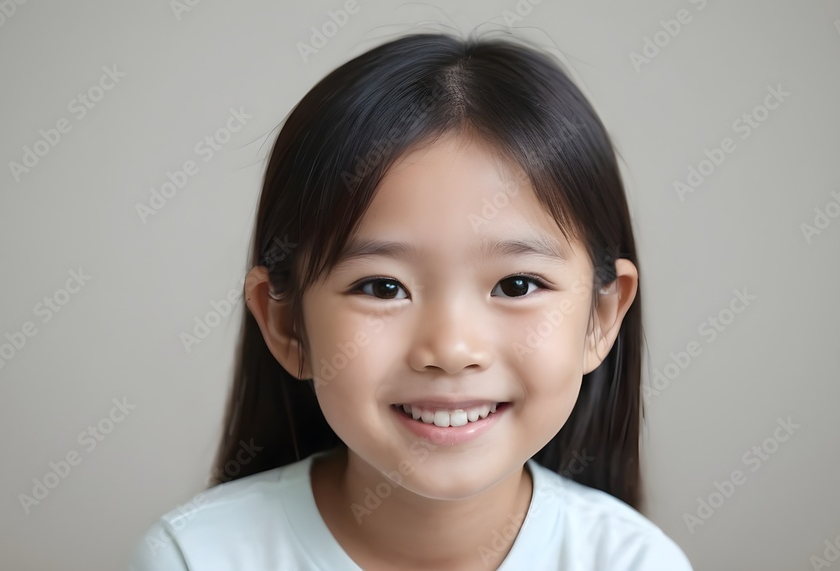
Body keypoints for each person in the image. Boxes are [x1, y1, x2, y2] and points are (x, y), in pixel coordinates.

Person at [128, 31, 695, 570]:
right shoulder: (196, 558)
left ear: (601, 318)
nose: (450, 349)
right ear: (286, 324)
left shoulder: (635, 563)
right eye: (382, 286)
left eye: (516, 285)